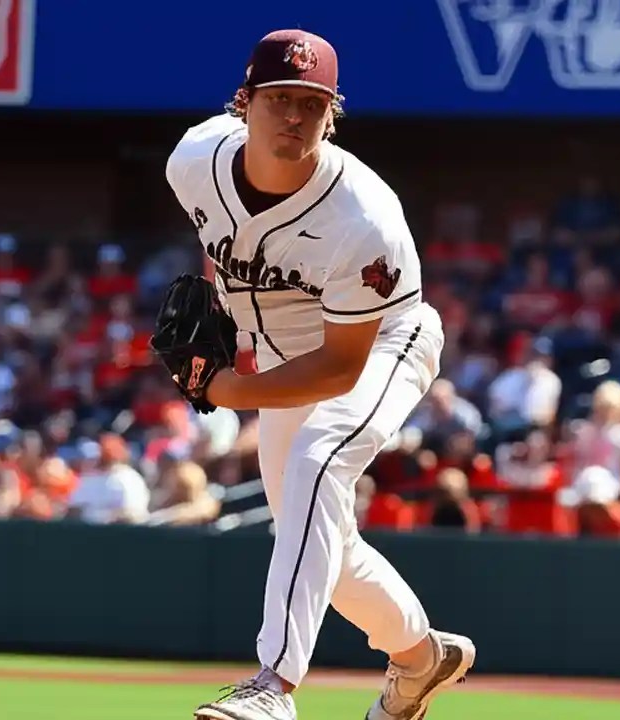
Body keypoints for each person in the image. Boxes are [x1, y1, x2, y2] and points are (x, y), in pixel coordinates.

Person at [163, 28, 475, 720]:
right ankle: (422, 660)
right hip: (279, 356)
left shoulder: (365, 217)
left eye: (313, 102)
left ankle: (273, 685)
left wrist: (225, 388)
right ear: (243, 103)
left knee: (317, 458)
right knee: (320, 542)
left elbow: (339, 366)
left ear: (333, 113)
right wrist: (222, 309)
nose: (296, 117)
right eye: (280, 99)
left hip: (380, 346)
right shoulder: (191, 161)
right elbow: (221, 233)